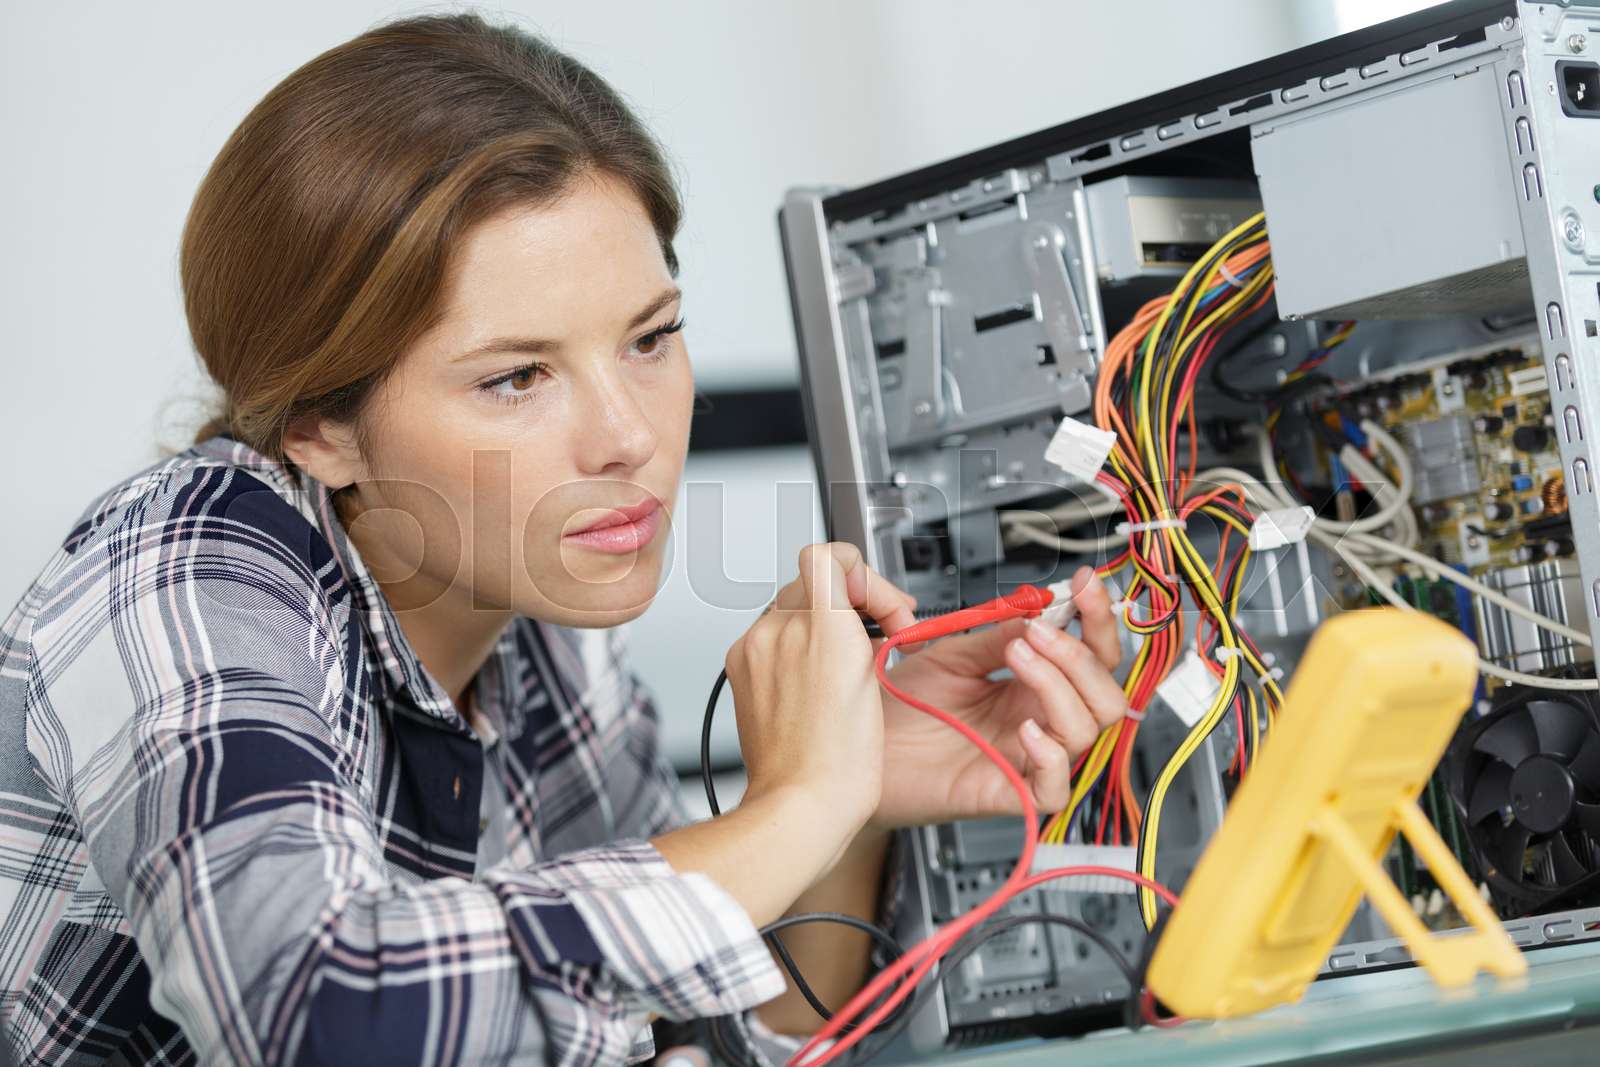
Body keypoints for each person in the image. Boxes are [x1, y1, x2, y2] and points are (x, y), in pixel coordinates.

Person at [0, 12, 1128, 1065]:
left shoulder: (544, 627)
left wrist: (857, 786)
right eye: (515, 377)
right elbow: (319, 1015)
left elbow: (726, 1030)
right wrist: (791, 807)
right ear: (319, 427)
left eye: (651, 336)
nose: (629, 434)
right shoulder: (185, 562)